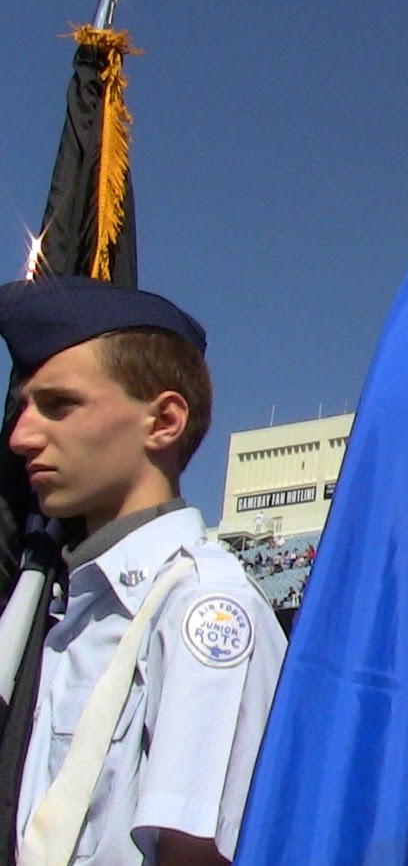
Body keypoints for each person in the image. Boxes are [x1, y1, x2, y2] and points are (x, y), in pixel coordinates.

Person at [0, 276, 287, 863]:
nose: (22, 436)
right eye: (24, 407)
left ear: (163, 422)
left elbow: (195, 855)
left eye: (59, 405)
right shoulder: (65, 608)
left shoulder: (200, 607)